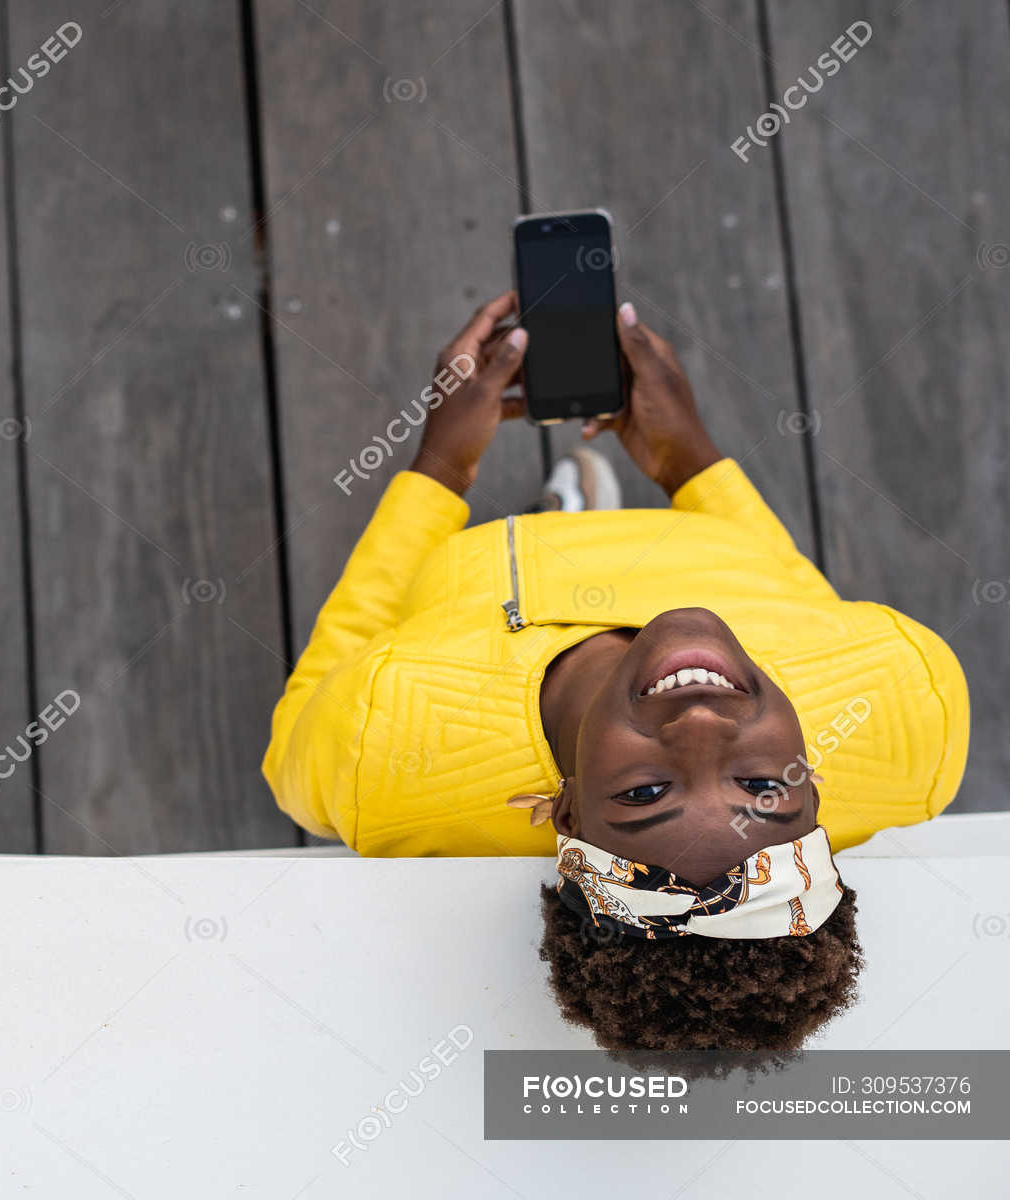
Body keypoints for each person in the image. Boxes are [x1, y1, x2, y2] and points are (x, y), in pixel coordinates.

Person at [262, 291, 969, 1058]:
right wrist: (688, 460)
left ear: (564, 818)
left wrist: (440, 468)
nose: (702, 725)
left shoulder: (379, 761)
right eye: (766, 790)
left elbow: (324, 682)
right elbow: (796, 602)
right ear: (817, 793)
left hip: (485, 567)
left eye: (645, 795)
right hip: (684, 539)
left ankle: (555, 510)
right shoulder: (906, 708)